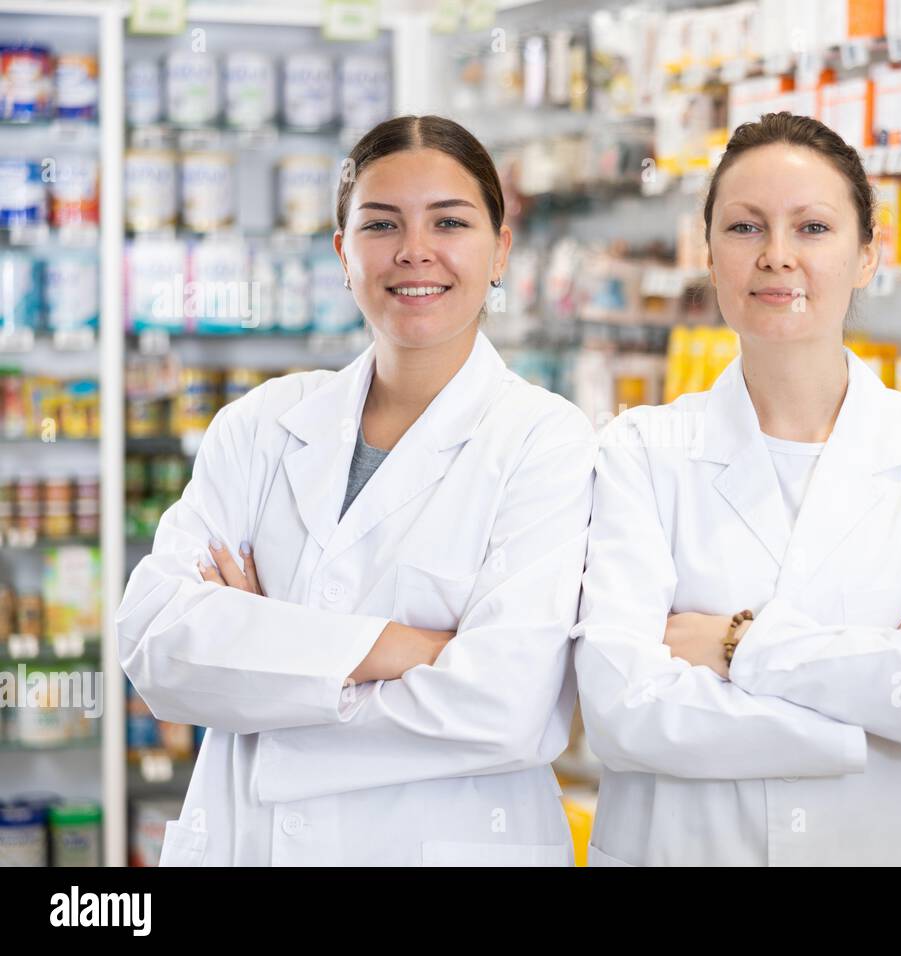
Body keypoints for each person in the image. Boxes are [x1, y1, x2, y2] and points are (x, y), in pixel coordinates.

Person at [116, 115, 596, 866]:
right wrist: (408, 648)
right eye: (381, 224)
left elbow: (508, 706)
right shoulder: (260, 426)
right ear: (343, 254)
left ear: (500, 250)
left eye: (450, 221)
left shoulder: (547, 442)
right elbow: (157, 646)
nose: (415, 250)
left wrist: (261, 660)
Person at [573, 111, 901, 866]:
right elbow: (624, 714)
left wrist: (735, 642)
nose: (777, 257)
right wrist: (872, 703)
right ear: (709, 252)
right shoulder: (640, 451)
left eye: (813, 228)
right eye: (745, 228)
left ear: (865, 257)